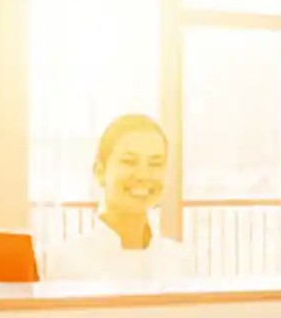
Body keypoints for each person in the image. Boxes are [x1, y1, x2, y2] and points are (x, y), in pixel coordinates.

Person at [43, 114, 195, 281]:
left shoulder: (179, 261)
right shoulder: (63, 261)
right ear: (100, 172)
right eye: (129, 162)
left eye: (155, 164)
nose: (143, 175)